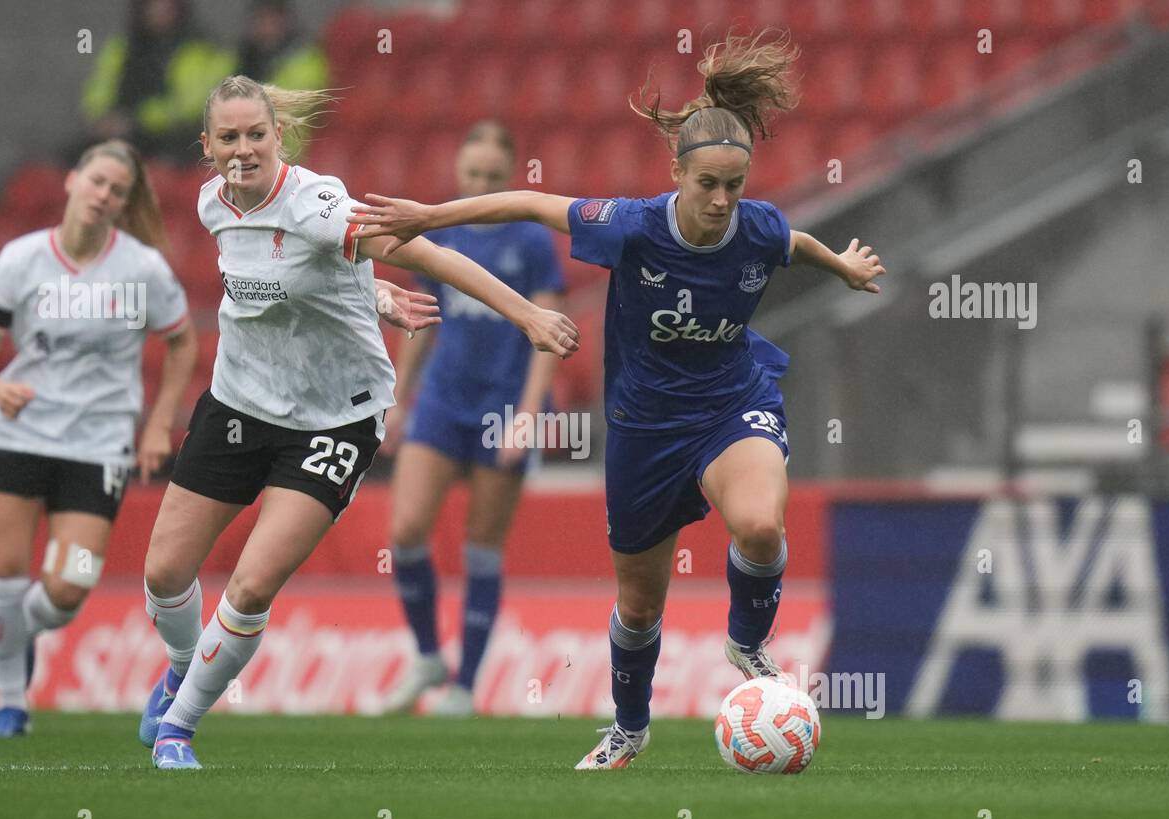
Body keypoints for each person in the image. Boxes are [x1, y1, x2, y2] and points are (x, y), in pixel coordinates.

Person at [348, 29, 886, 769]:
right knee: (639, 604)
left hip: (731, 401)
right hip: (644, 426)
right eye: (708, 184)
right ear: (677, 173)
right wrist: (430, 217)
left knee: (761, 525)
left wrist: (844, 266)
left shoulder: (755, 225)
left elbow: (793, 241)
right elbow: (532, 202)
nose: (723, 200)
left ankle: (746, 642)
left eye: (735, 185)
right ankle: (629, 728)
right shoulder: (632, 225)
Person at [138, 76, 579, 769]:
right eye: (229, 137)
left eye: (257, 134)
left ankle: (178, 728)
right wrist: (371, 295)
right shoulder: (211, 203)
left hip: (333, 420)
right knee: (164, 572)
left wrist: (526, 315)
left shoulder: (317, 204)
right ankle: (180, 669)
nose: (244, 149)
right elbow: (295, 278)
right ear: (208, 145)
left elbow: (431, 256)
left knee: (250, 586)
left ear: (279, 137)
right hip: (239, 404)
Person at [0, 139, 198, 737]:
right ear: (71, 181)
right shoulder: (20, 259)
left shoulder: (142, 269)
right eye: (97, 181)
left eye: (117, 191)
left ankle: (20, 632)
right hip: (20, 436)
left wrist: (158, 423)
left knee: (72, 583)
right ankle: (11, 705)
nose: (103, 195)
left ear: (124, 204)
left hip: (98, 447)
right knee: (5, 572)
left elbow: (182, 342)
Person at [380, 121, 567, 716]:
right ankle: (427, 655)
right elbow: (420, 321)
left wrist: (528, 417)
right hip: (442, 400)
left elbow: (548, 333)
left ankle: (465, 687)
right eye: (472, 174)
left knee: (481, 549)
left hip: (503, 407)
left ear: (508, 178)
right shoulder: (440, 232)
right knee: (406, 529)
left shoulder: (531, 241)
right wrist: (397, 398)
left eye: (492, 176)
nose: (481, 184)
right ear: (458, 173)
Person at [80, 0, 235, 161]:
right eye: (153, 9)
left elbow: (188, 106)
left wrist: (137, 120)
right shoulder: (123, 47)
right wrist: (103, 116)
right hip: (119, 127)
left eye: (165, 10)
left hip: (169, 134)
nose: (158, 15)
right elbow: (100, 87)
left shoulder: (197, 50)